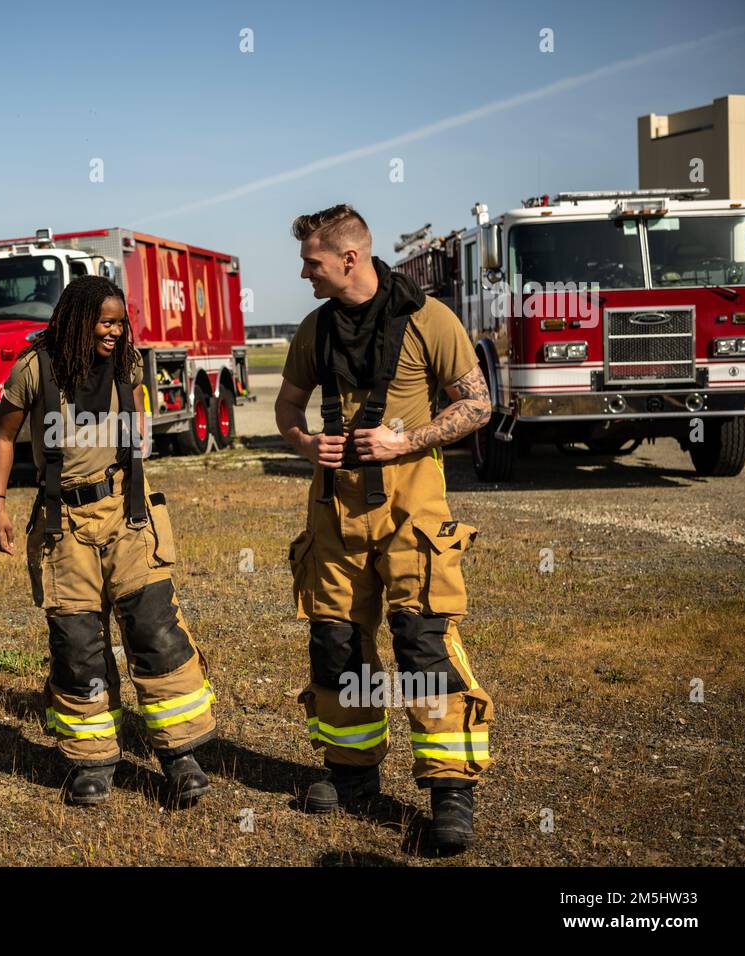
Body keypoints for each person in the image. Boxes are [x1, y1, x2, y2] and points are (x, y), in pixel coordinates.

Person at [274, 205, 494, 853]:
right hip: (335, 516)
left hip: (413, 517)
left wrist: (410, 440)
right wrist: (306, 444)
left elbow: (477, 404)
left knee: (422, 645)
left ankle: (450, 790)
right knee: (337, 642)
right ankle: (351, 772)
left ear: (349, 258)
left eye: (312, 262)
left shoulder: (431, 320)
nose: (304, 272)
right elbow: (288, 406)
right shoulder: (315, 330)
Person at [0, 274, 216, 807]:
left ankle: (180, 754)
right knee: (77, 645)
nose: (116, 332)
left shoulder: (127, 362)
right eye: (106, 322)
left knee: (154, 629)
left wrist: (133, 469)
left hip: (127, 514)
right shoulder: (33, 368)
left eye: (120, 322)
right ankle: (92, 758)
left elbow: (136, 418)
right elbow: (3, 436)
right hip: (62, 523)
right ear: (77, 321)